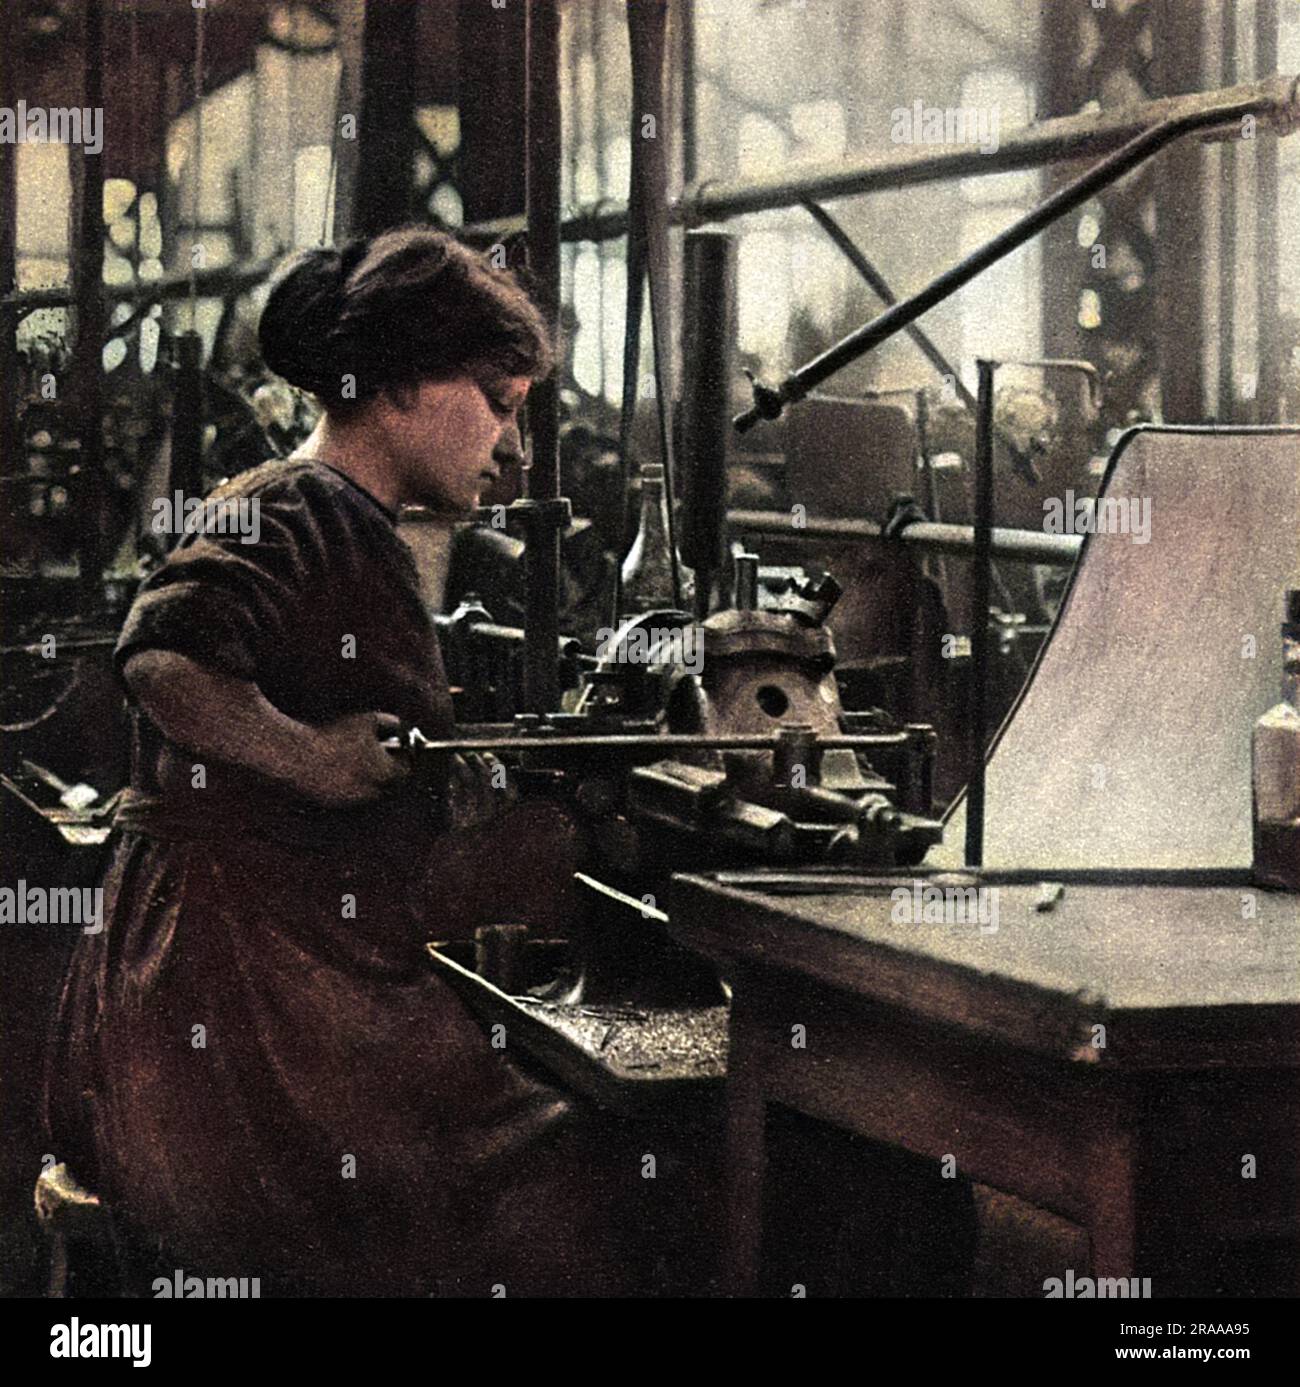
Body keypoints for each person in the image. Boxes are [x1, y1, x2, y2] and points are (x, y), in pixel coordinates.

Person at [43, 228, 652, 1297]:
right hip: (237, 991)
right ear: (408, 382)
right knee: (564, 1168)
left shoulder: (354, 522)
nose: (512, 447)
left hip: (283, 961)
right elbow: (161, 653)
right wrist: (311, 759)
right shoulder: (292, 502)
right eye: (500, 401)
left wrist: (427, 773)